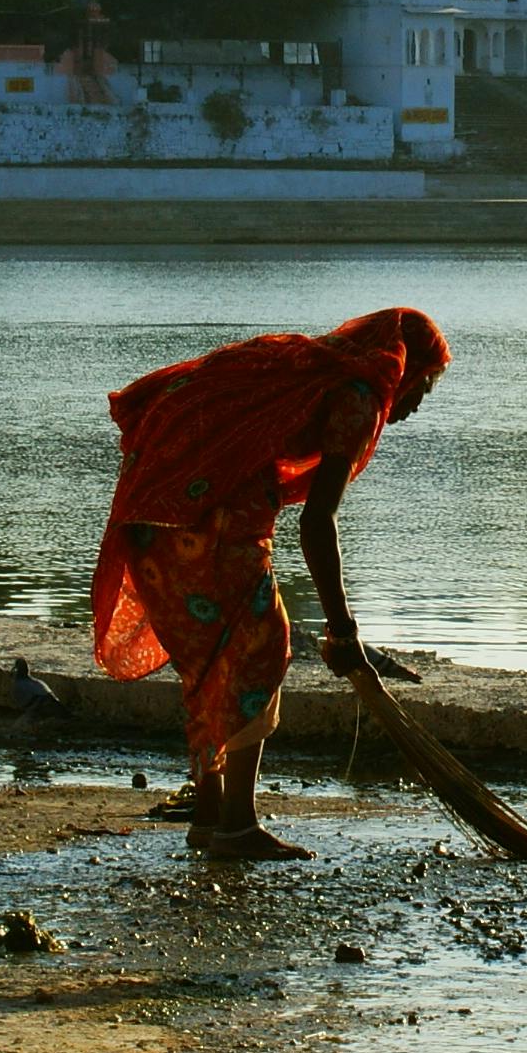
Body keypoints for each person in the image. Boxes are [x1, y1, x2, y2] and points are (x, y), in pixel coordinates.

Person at [90, 307, 450, 860]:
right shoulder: (358, 394)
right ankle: (237, 826)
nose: (418, 402)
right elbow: (317, 523)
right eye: (423, 386)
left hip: (151, 522)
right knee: (260, 651)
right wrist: (343, 629)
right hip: (209, 523)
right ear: (404, 369)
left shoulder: (309, 370)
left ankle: (210, 817)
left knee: (211, 666)